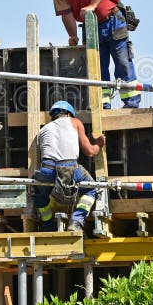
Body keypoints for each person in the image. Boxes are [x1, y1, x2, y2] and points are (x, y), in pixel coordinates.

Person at [51, 0, 141, 108]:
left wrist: (92, 5)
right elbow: (66, 13)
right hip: (90, 27)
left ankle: (131, 104)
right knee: (97, 67)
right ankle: (102, 106)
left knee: (122, 62)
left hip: (112, 20)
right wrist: (72, 35)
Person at [33, 100, 106, 233]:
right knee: (92, 188)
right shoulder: (75, 122)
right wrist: (99, 144)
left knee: (39, 195)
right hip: (69, 167)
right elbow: (90, 151)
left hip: (46, 169)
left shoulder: (43, 130)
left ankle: (48, 226)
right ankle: (76, 220)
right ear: (68, 114)